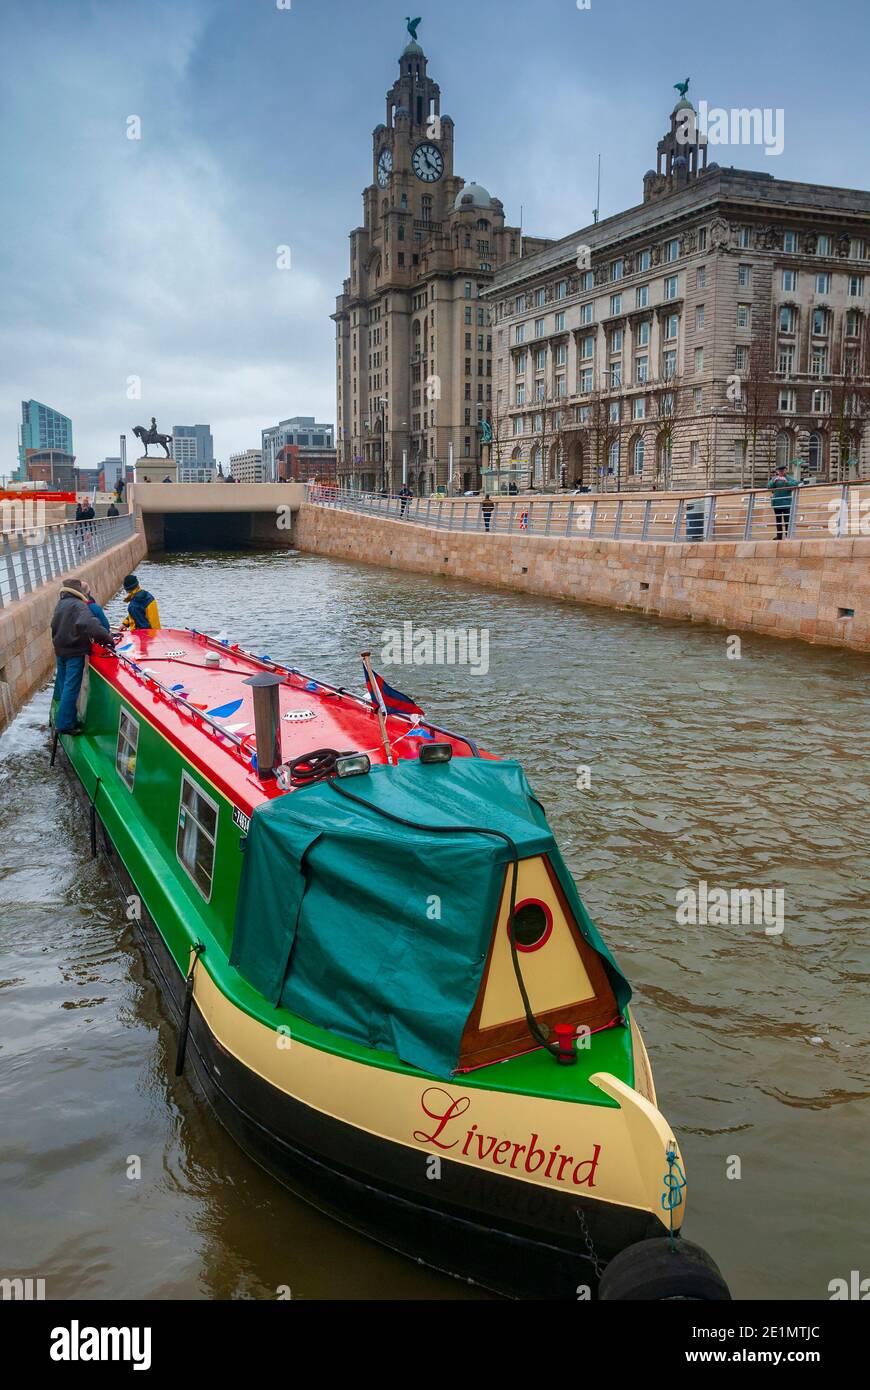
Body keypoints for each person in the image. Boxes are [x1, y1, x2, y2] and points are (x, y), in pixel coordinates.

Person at [51, 579, 116, 734]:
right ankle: (65, 724)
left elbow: (53, 625)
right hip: (74, 651)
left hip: (60, 650)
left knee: (63, 683)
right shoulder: (78, 606)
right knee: (71, 687)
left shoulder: (60, 605)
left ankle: (60, 714)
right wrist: (108, 639)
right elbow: (91, 625)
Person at [767, 463, 799, 540]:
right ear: (777, 471)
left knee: (787, 520)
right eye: (779, 471)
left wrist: (786, 482)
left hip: (786, 503)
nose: (781, 472)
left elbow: (796, 484)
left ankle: (788, 535)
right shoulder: (774, 478)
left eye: (782, 470)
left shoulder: (789, 478)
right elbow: (769, 486)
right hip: (777, 503)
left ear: (785, 471)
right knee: (778, 521)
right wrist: (773, 482)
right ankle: (779, 536)